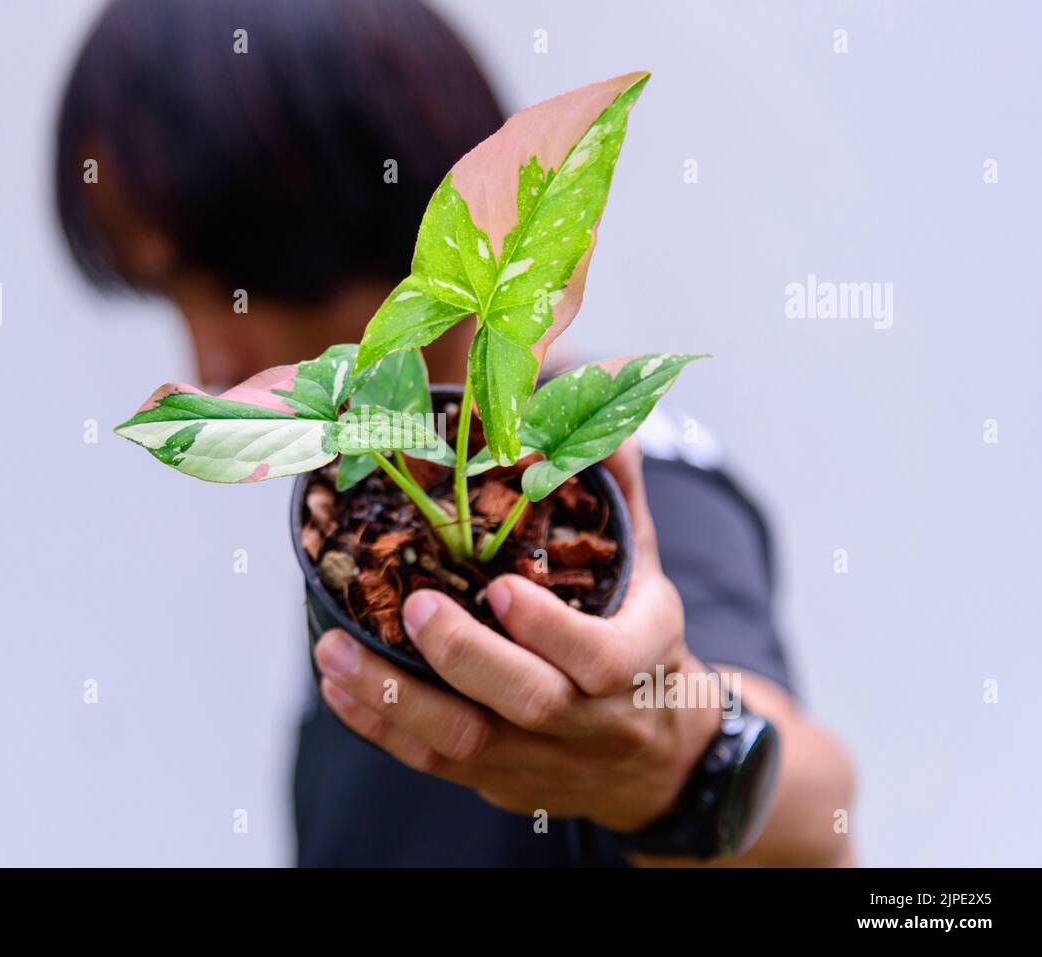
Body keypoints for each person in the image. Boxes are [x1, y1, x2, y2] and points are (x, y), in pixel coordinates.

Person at [55, 0, 855, 866]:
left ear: (341, 207)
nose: (207, 359)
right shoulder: (364, 485)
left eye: (229, 282)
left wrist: (678, 760)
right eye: (168, 298)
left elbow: (819, 807)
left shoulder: (623, 476)